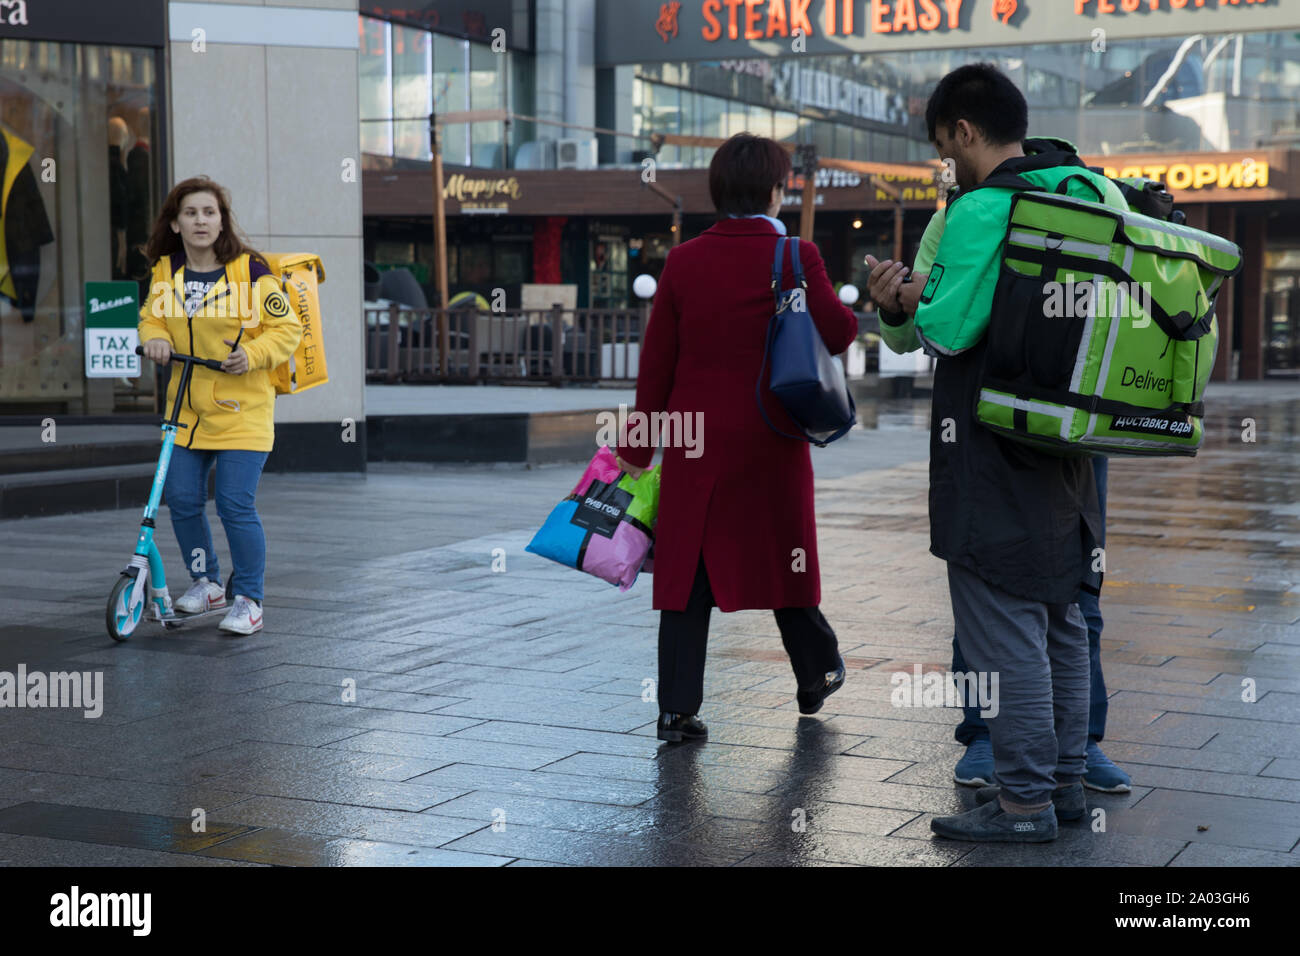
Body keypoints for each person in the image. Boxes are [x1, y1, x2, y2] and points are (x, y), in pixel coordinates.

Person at [866, 64, 1127, 842]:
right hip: (1072, 448)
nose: (946, 159)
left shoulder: (983, 207)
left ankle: (1021, 804)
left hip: (990, 448)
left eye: (944, 143)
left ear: (963, 132)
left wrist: (904, 297)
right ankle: (1068, 784)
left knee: (1005, 621)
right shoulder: (1096, 192)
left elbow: (946, 331)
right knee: (1063, 620)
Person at [614, 133, 858, 743]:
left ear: (719, 192)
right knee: (783, 558)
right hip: (772, 441)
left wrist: (638, 451)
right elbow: (840, 331)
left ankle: (676, 709)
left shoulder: (684, 261)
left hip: (695, 444)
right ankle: (817, 671)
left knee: (688, 569)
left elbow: (656, 366)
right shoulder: (797, 256)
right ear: (776, 190)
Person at [137, 176, 300, 635]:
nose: (201, 221)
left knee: (233, 505)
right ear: (175, 223)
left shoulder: (250, 270)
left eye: (209, 212)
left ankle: (248, 598)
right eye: (190, 213)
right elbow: (152, 317)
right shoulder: (168, 272)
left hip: (242, 409)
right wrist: (154, 339)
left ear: (221, 220)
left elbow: (286, 329)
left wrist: (252, 354)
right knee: (183, 500)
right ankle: (206, 582)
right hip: (186, 410)